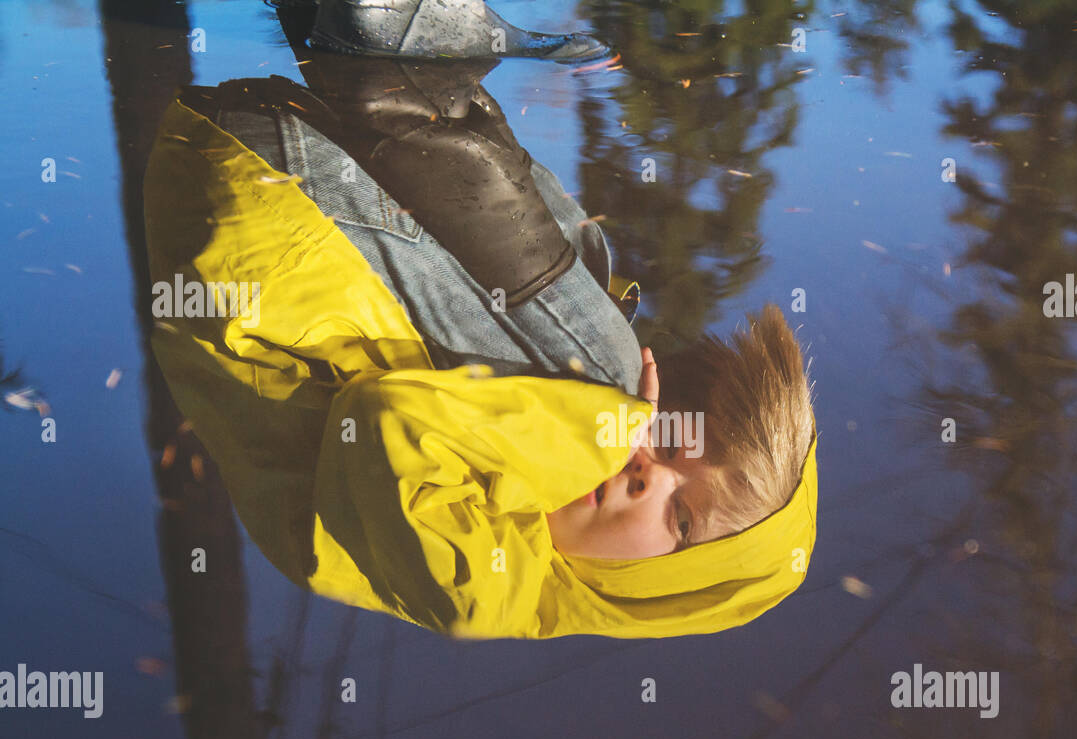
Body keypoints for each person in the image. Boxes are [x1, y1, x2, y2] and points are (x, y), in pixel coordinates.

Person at [141, 0, 818, 638]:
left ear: (654, 590)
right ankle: (367, 44)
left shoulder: (483, 591)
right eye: (668, 438)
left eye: (679, 516)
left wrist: (587, 431)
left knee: (604, 372)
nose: (646, 472)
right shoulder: (545, 477)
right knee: (601, 288)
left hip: (260, 243)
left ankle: (405, 59)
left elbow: (388, 425)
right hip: (300, 191)